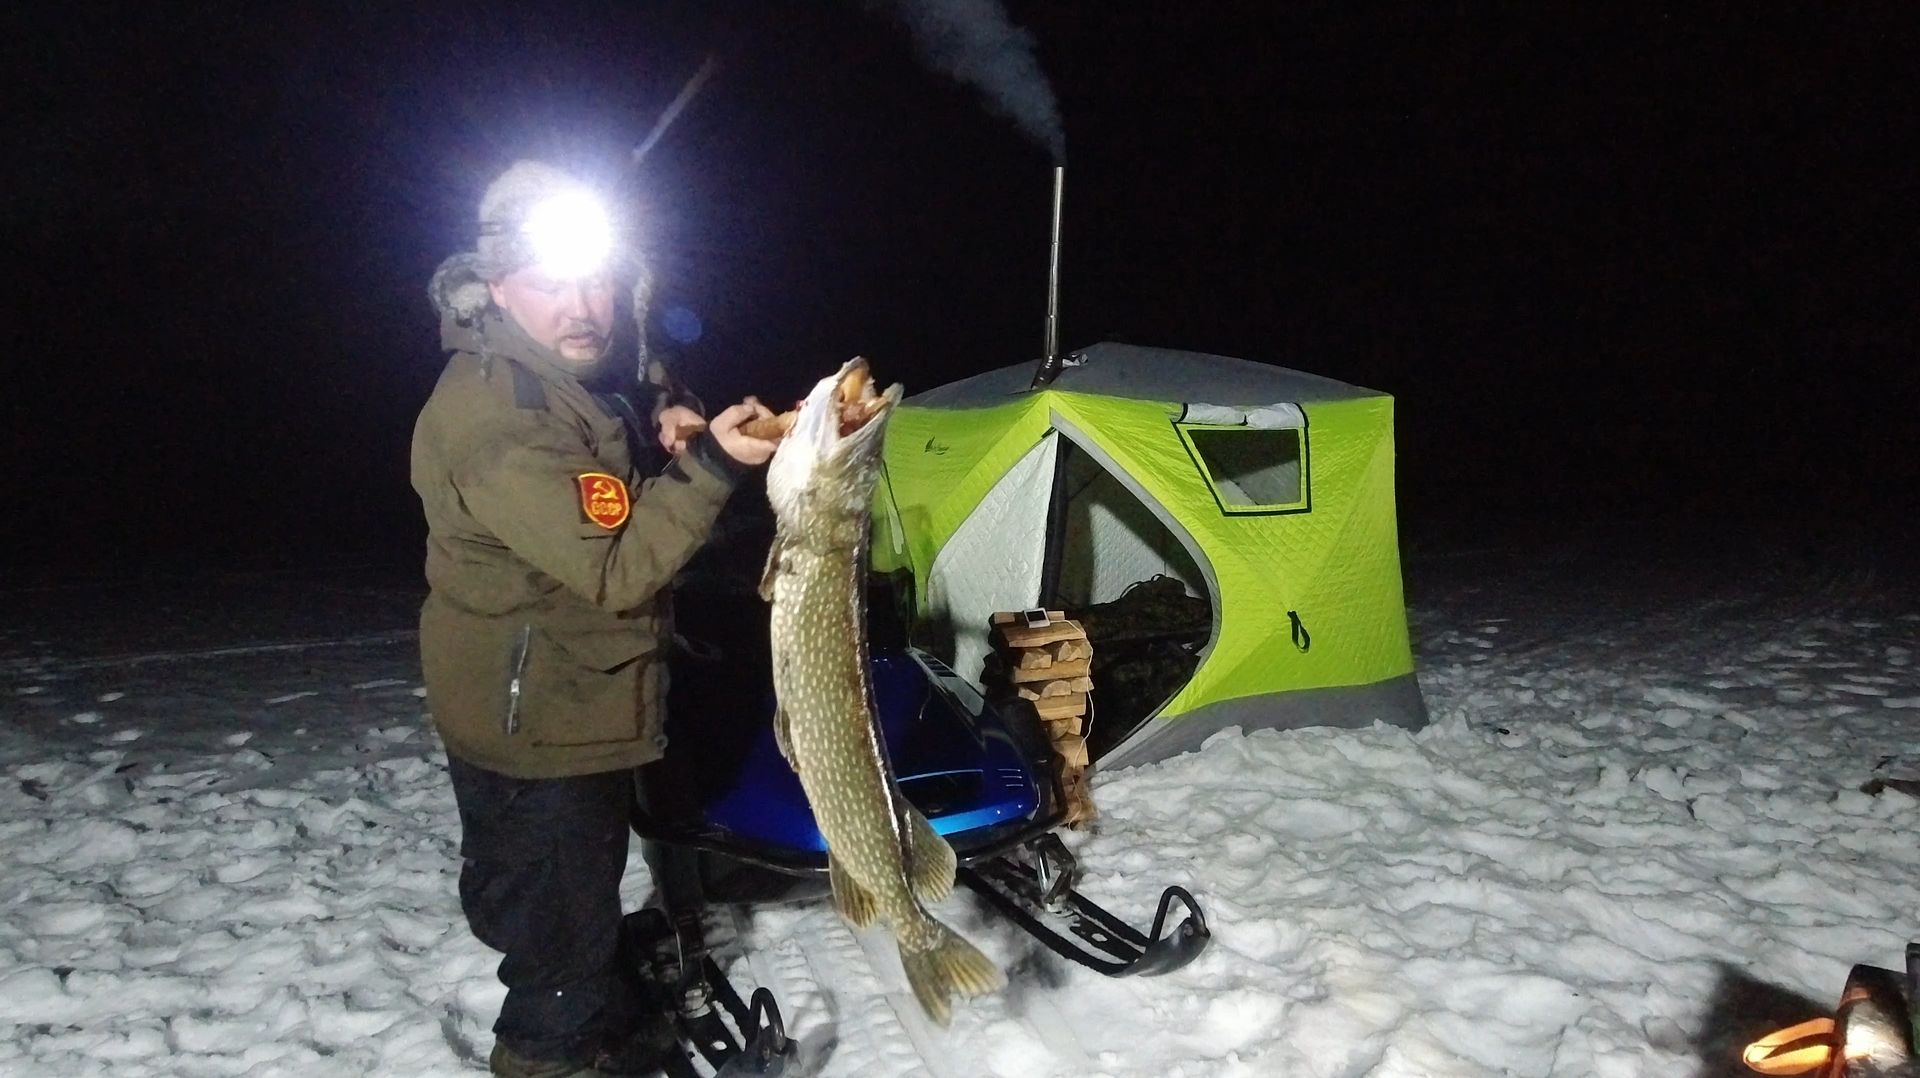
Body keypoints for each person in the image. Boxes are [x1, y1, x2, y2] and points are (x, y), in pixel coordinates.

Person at [413, 160, 778, 1077]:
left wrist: (662, 419)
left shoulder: (546, 376)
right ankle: (556, 1051)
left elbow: (600, 475)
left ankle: (597, 994)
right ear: (495, 285)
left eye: (599, 279)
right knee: (555, 930)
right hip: (540, 719)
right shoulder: (501, 420)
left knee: (573, 894)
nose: (585, 305)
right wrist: (714, 470)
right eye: (552, 281)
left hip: (564, 691)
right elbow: (615, 566)